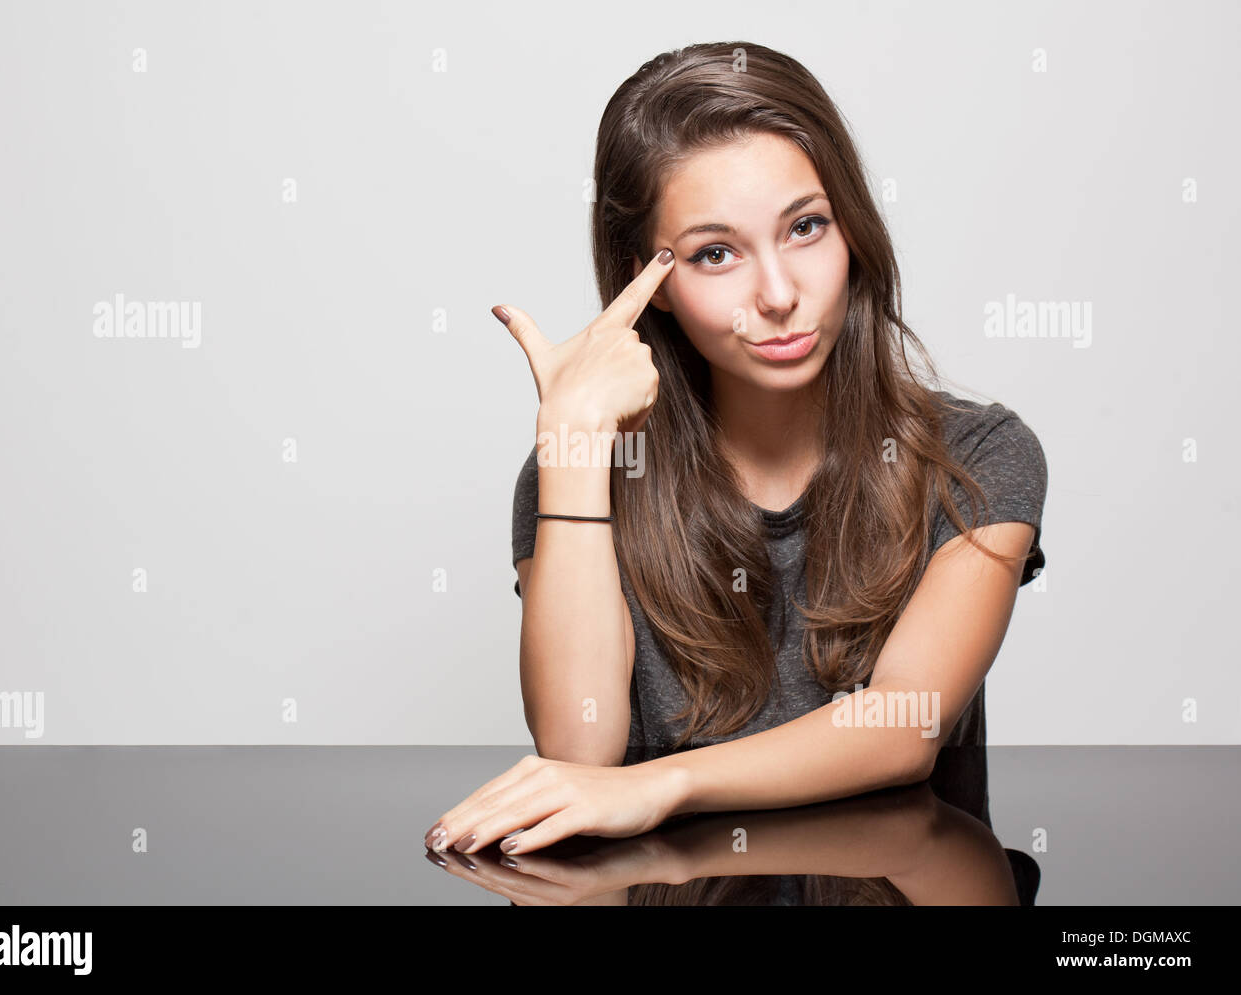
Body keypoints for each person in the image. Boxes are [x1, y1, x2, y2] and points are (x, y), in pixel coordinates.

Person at [425, 41, 1048, 858]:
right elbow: (580, 754)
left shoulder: (977, 456)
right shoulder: (579, 477)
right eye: (716, 253)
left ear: (854, 229)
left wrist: (663, 783)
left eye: (807, 227)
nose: (780, 294)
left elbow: (905, 723)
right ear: (648, 285)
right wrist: (572, 446)